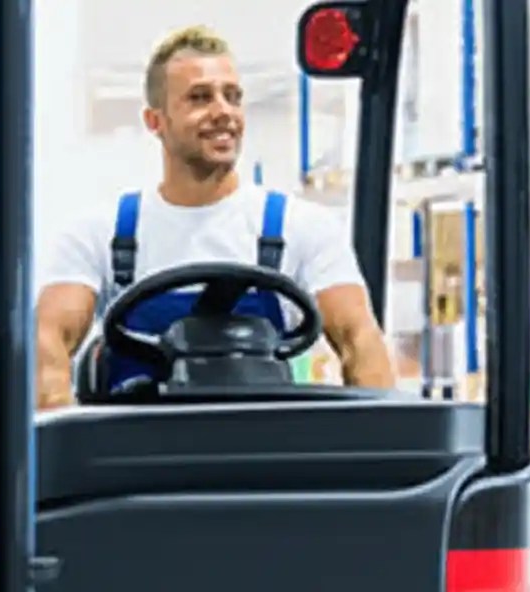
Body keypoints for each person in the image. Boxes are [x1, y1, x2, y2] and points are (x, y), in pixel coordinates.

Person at [34, 25, 394, 409]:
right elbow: (47, 340)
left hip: (266, 443)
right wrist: (61, 427)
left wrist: (386, 434)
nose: (223, 112)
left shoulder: (302, 227)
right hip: (137, 444)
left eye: (232, 96)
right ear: (155, 121)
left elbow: (360, 340)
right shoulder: (100, 234)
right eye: (200, 98)